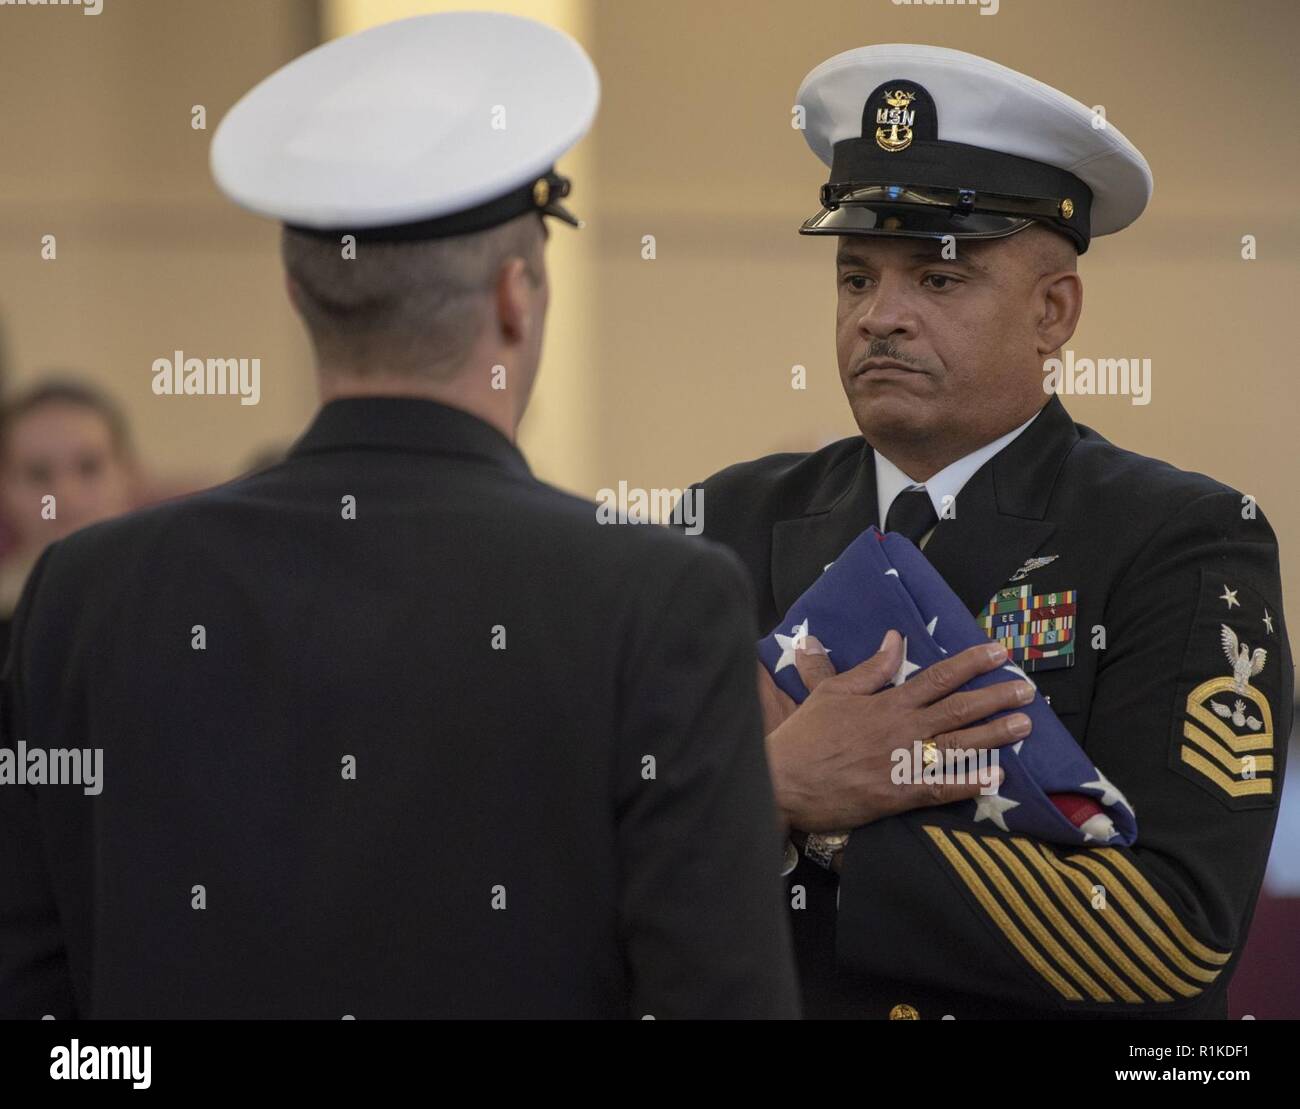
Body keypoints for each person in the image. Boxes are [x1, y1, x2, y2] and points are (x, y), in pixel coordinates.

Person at [0, 12, 800, 1019]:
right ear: (518, 295)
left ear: (297, 290)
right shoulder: (659, 599)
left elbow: (31, 991)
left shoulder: (84, 593)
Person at [686, 43, 1292, 1018]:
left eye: (936, 279)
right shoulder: (719, 523)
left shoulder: (1176, 539)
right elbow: (584, 854)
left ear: (1054, 311)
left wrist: (833, 821)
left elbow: (1176, 934)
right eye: (854, 278)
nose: (879, 317)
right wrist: (773, 783)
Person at [0, 379, 137, 660]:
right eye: (38, 474)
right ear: (6, 488)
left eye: (89, 467)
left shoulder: (182, 600)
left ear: (129, 474)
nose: (65, 495)